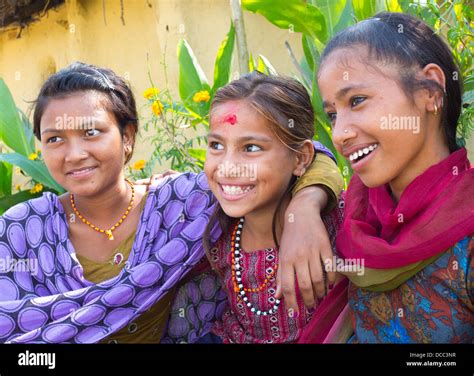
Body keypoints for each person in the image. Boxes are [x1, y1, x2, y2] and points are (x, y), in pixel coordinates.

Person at [0, 62, 343, 343]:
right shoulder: (21, 232)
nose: (74, 154)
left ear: (128, 136)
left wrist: (305, 209)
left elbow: (312, 157)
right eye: (55, 139)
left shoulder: (182, 204)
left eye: (91, 133)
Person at [299, 12, 473, 343]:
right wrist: (304, 208)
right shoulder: (353, 217)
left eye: (357, 100)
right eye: (333, 115)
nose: (339, 134)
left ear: (430, 91)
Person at [196, 72, 343, 343]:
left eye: (250, 148)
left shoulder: (339, 223)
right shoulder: (205, 224)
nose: (227, 166)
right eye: (216, 145)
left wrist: (307, 206)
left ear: (301, 158)